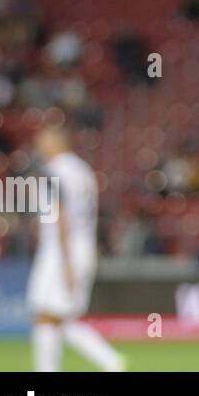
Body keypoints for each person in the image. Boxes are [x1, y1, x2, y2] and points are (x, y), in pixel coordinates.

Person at [28, 125, 124, 372]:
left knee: (45, 314)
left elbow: (60, 215)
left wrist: (65, 260)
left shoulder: (54, 171)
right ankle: (110, 361)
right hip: (83, 246)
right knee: (57, 316)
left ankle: (108, 361)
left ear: (57, 141)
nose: (39, 145)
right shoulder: (83, 170)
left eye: (43, 140)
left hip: (62, 249)